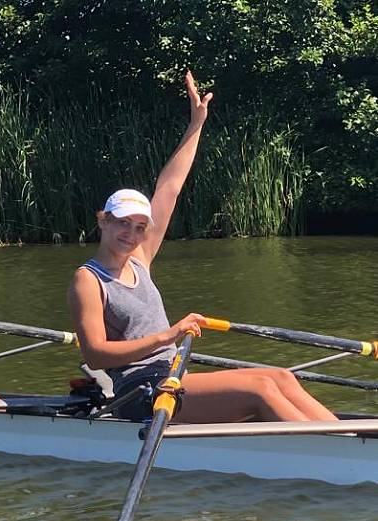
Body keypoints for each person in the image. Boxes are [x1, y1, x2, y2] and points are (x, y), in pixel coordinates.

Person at [67, 72, 337, 423]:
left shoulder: (139, 259)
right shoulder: (88, 280)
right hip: (140, 391)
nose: (131, 234)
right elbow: (96, 355)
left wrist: (196, 124)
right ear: (103, 221)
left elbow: (170, 187)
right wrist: (168, 335)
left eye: (139, 227)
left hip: (173, 377)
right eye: (122, 223)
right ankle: (329, 447)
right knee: (260, 389)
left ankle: (351, 440)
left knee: (281, 377)